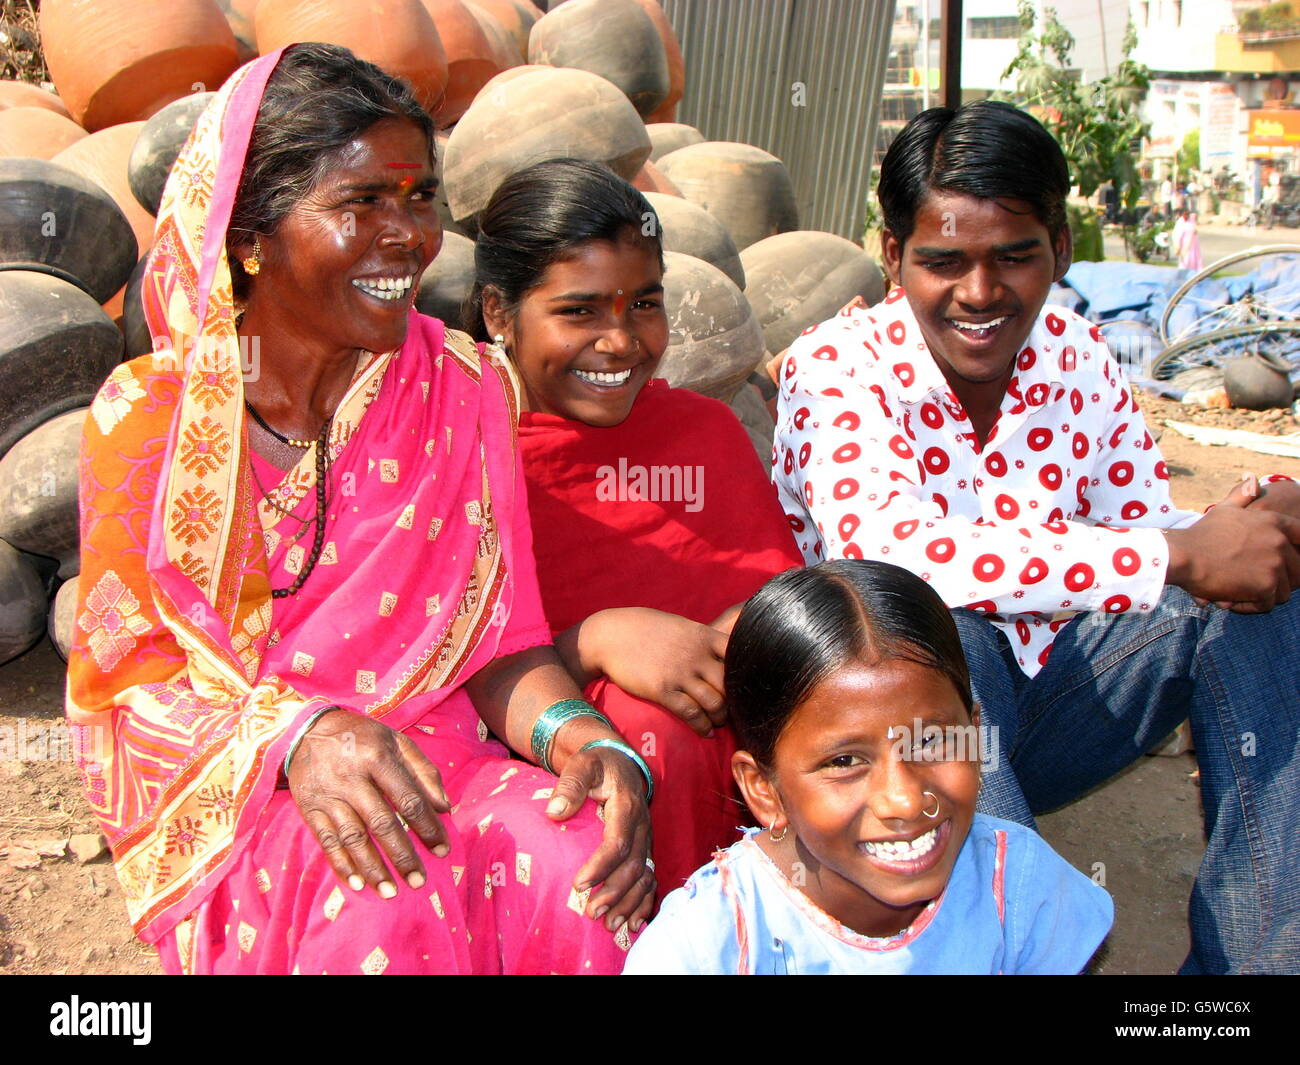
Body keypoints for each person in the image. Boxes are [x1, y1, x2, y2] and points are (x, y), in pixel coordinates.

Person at [66, 45, 657, 975]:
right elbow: (124, 677)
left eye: (419, 197)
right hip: (256, 789)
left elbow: (499, 644)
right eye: (361, 203)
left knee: (575, 858)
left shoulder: (458, 388)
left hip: (441, 759)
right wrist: (295, 734)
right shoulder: (152, 419)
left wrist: (585, 739)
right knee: (386, 888)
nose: (409, 236)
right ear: (250, 235)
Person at [772, 100, 1300, 974]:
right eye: (944, 261)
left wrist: (1248, 521)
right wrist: (1178, 552)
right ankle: (1017, 956)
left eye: (1014, 256)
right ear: (894, 254)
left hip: (1049, 713)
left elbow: (1141, 529)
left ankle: (1248, 979)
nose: (980, 294)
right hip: (915, 750)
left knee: (1252, 600)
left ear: (1059, 245)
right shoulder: (836, 365)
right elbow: (894, 554)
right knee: (932, 631)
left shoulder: (1078, 349)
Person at [468, 159, 804, 898]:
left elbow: (783, 592)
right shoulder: (470, 459)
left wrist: (752, 629)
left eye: (643, 303)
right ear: (497, 312)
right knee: (655, 732)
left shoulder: (705, 431)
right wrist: (598, 639)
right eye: (580, 311)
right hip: (584, 756)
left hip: (758, 740)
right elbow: (460, 668)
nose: (621, 342)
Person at [624, 561, 1112, 974]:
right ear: (764, 790)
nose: (902, 800)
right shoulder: (712, 944)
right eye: (844, 761)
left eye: (933, 741)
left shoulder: (1020, 885)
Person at [1173, 207, 1203, 271]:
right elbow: (1177, 235)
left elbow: (1194, 230)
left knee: (1194, 258)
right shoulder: (1180, 222)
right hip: (1184, 244)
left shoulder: (1191, 221)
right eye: (1185, 214)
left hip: (1193, 243)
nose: (1186, 216)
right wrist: (1178, 246)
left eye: (1187, 214)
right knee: (1185, 259)